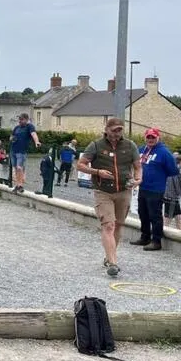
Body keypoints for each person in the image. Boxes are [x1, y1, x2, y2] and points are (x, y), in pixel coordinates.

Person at [75, 118, 141, 277]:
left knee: (118, 225)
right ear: (107, 130)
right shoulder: (96, 145)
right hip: (102, 191)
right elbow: (80, 164)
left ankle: (109, 255)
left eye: (120, 130)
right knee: (108, 225)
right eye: (114, 130)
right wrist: (97, 172)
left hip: (124, 190)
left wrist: (138, 179)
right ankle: (113, 262)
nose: (117, 134)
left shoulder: (130, 145)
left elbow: (138, 166)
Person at [128, 129, 180, 252]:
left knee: (154, 215)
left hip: (156, 189)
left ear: (158, 138)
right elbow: (135, 165)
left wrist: (159, 176)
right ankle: (145, 236)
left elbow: (173, 170)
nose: (150, 140)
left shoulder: (164, 152)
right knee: (142, 212)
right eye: (148, 137)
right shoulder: (141, 150)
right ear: (145, 138)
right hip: (143, 187)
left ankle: (156, 241)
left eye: (153, 137)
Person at [9, 113, 41, 193]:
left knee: (20, 168)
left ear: (26, 120)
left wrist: (36, 141)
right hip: (13, 150)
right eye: (19, 119)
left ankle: (20, 185)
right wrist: (12, 138)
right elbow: (11, 136)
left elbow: (33, 134)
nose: (20, 121)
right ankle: (17, 185)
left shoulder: (29, 126)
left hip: (21, 151)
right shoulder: (16, 127)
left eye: (21, 119)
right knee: (16, 168)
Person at [163, 153, 181, 230]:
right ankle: (161, 233)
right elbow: (179, 187)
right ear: (180, 162)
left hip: (170, 197)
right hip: (172, 198)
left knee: (179, 217)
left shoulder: (170, 169)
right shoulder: (176, 171)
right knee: (167, 219)